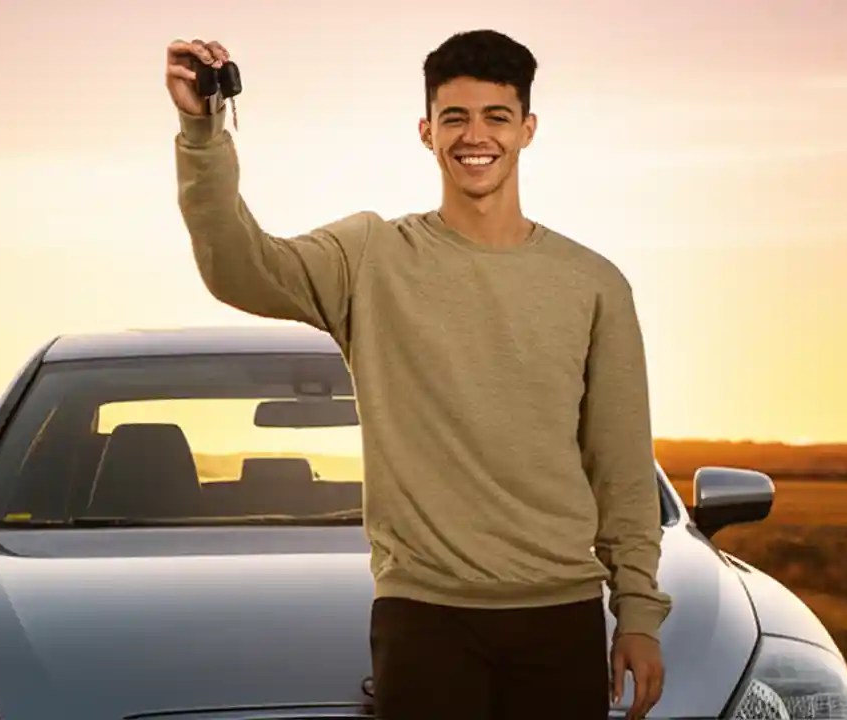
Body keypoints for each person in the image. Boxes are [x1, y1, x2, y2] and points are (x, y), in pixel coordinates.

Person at [165, 29, 670, 720]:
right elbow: (239, 265)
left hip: (561, 614)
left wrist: (638, 613)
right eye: (455, 117)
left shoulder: (593, 284)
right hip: (424, 615)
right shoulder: (372, 256)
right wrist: (202, 130)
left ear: (527, 129)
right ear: (427, 131)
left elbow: (622, 466)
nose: (475, 136)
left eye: (496, 116)